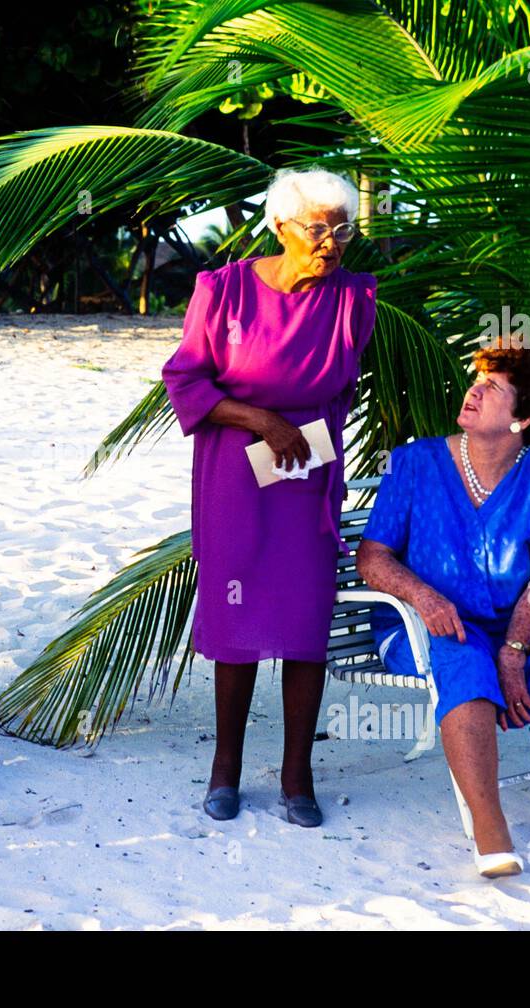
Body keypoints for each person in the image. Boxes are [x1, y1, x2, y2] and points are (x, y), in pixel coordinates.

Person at [161, 168, 377, 827]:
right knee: (236, 618)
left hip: (308, 467)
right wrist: (261, 421)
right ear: (281, 227)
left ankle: (297, 774)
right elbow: (185, 378)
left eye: (343, 227)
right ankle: (225, 768)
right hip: (235, 469)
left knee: (306, 622)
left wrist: (308, 440)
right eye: (319, 227)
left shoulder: (354, 298)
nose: (332, 241)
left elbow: (344, 387)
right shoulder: (221, 291)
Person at [356, 342, 530, 878]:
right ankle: (489, 819)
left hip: (518, 618)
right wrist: (424, 596)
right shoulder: (414, 462)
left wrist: (515, 650)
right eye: (478, 381)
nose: (474, 390)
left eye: (492, 388)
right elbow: (372, 558)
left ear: (521, 418)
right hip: (429, 622)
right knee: (465, 662)